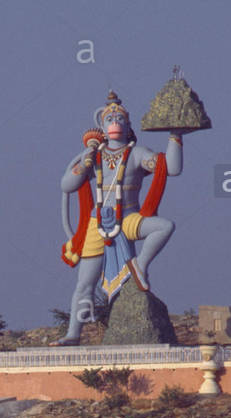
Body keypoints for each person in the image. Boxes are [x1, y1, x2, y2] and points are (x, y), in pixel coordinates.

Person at [56, 91, 185, 345]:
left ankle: (140, 266)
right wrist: (85, 162)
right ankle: (73, 333)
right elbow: (67, 185)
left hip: (127, 218)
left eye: (120, 117)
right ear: (102, 125)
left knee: (164, 227)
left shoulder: (137, 153)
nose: (115, 120)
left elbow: (170, 168)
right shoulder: (94, 156)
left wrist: (175, 135)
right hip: (97, 223)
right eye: (110, 117)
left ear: (128, 125)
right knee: (84, 284)